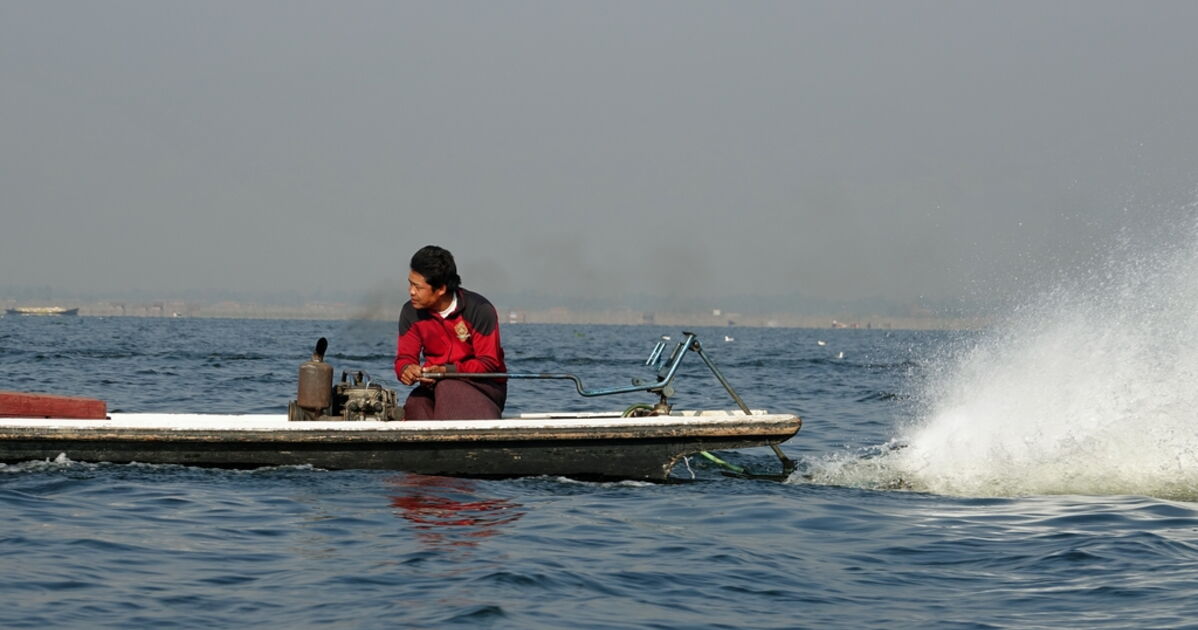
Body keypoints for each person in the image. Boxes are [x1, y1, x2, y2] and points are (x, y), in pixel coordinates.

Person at [394, 245, 507, 420]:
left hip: (485, 386)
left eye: (418, 287)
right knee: (416, 403)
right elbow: (404, 358)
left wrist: (447, 371)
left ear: (440, 289)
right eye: (410, 284)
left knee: (448, 387)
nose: (411, 292)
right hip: (435, 385)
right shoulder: (410, 312)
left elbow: (488, 363)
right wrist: (407, 370)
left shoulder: (480, 309)